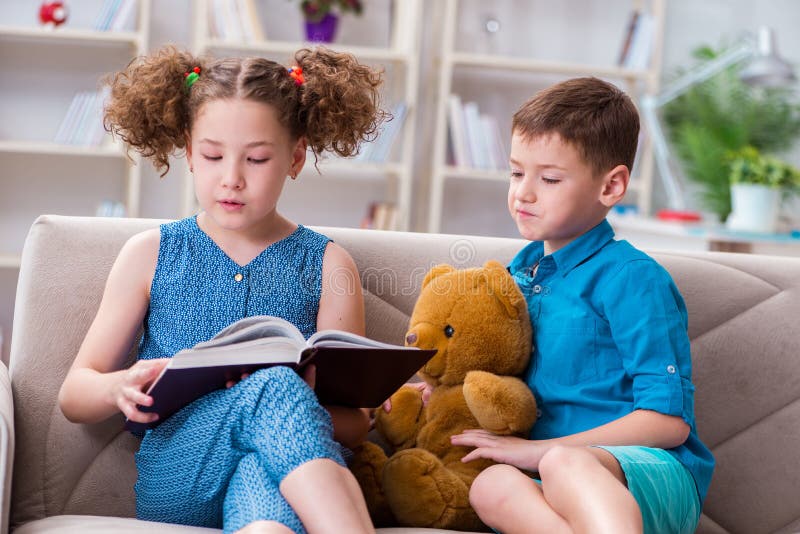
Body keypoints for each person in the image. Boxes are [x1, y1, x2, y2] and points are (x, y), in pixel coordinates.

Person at [58, 45, 386, 534]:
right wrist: (117, 386)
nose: (231, 179)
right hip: (181, 473)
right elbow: (74, 395)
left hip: (278, 469)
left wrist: (296, 404)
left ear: (295, 158)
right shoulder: (150, 253)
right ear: (190, 152)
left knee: (268, 519)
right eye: (213, 155)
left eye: (256, 159)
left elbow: (356, 423)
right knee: (275, 387)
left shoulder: (329, 265)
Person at [450, 77, 715, 534]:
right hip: (552, 480)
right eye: (516, 173)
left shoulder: (632, 277)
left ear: (611, 186)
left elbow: (668, 423)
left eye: (549, 179)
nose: (523, 193)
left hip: (646, 472)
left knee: (565, 464)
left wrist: (541, 452)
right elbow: (495, 371)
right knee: (489, 485)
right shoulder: (516, 276)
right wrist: (439, 389)